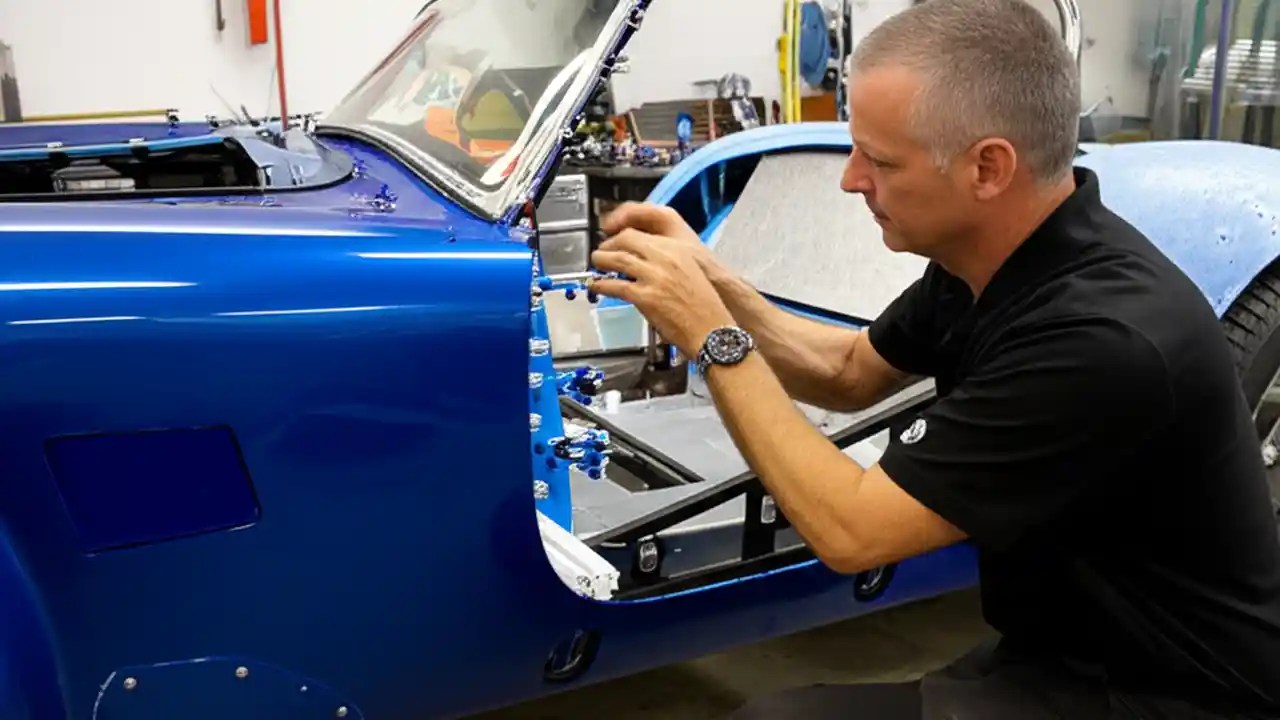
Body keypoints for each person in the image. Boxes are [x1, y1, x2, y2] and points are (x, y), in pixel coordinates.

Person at [585, 0, 1280, 717]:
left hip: (1167, 691)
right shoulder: (988, 259)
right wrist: (715, 282)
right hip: (1059, 644)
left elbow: (852, 533)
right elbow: (847, 372)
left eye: (879, 160)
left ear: (988, 167)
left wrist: (712, 338)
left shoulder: (1102, 340)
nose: (852, 179)